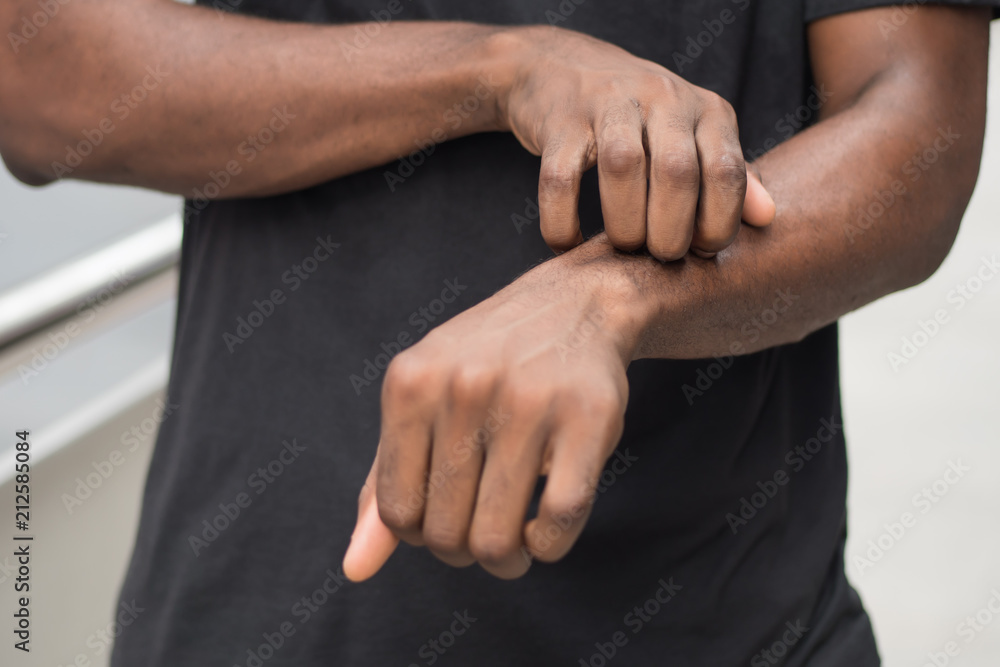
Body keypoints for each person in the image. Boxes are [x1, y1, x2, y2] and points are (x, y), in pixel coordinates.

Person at [2, 0, 997, 664]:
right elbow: (34, 72)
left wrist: (608, 301)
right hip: (259, 610)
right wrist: (496, 71)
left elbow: (919, 130)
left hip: (724, 623)